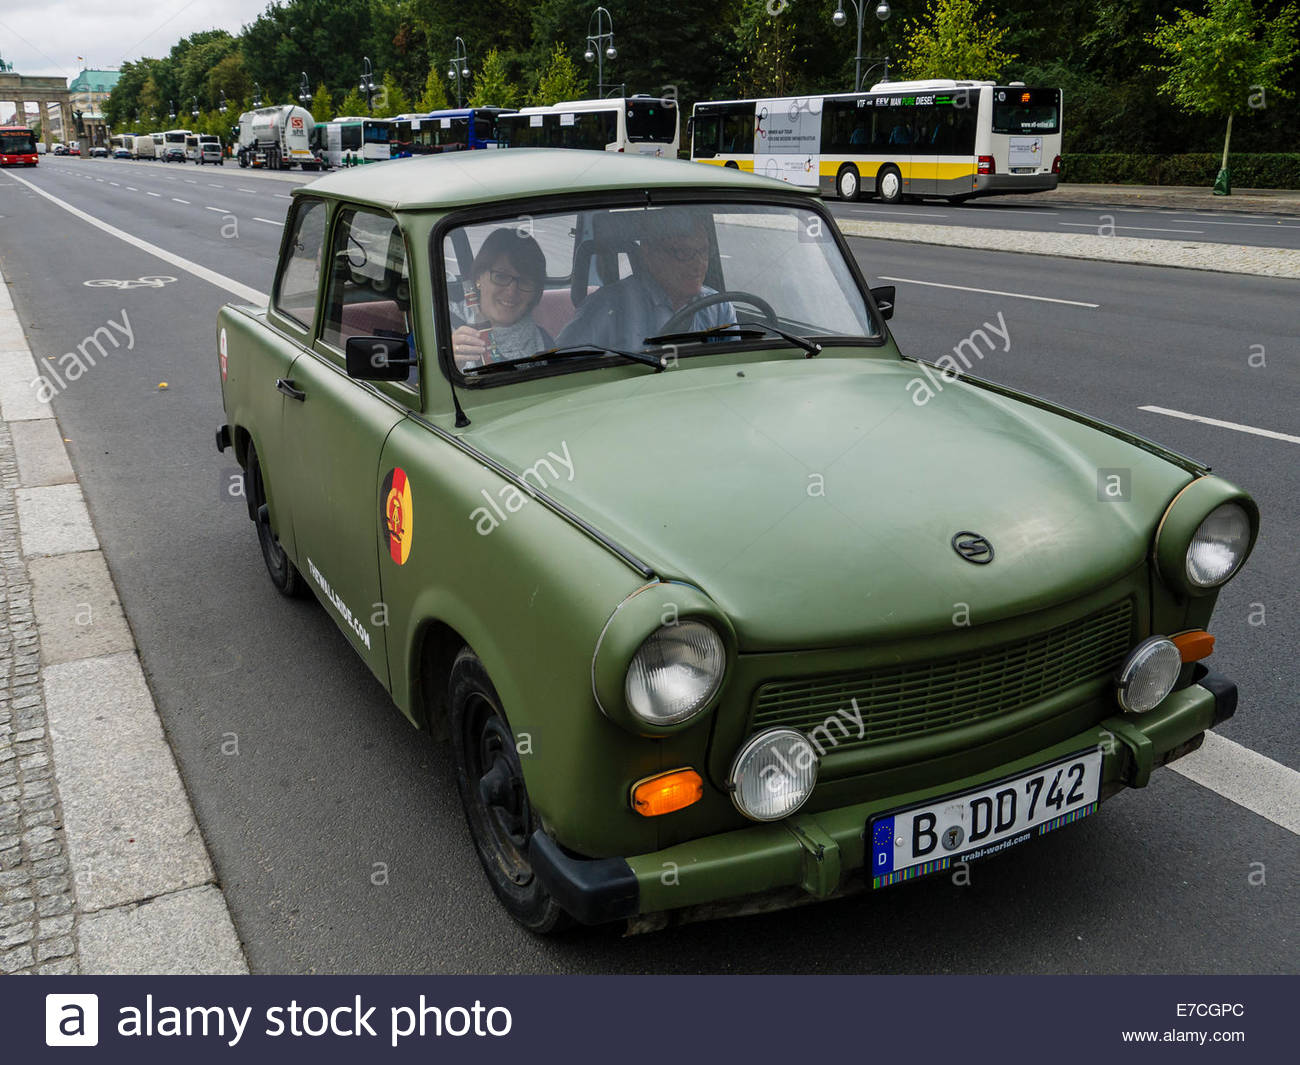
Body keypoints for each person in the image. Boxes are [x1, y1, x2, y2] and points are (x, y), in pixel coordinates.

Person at [557, 211, 737, 353]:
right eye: (683, 253)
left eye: (703, 252)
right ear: (649, 254)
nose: (698, 264)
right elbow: (561, 370)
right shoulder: (606, 307)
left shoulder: (718, 307)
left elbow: (736, 368)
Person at [451, 229, 553, 370]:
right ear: (478, 278)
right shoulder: (440, 324)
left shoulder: (543, 342)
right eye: (501, 276)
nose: (511, 291)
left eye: (524, 281)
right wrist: (445, 364)